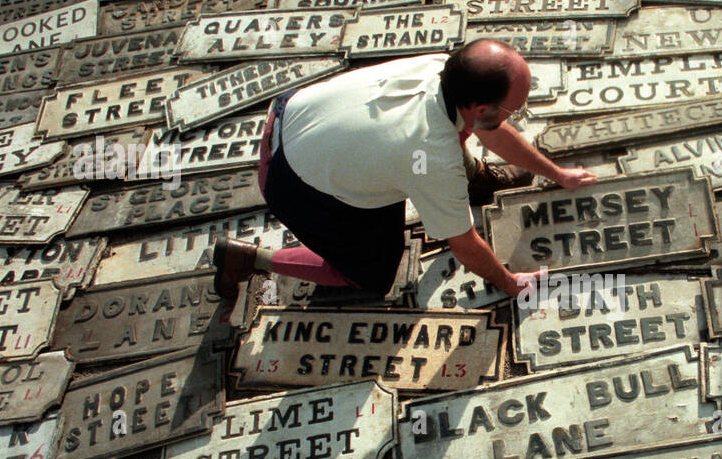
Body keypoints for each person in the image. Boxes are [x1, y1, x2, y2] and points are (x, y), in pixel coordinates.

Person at [212, 39, 597, 300]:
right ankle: (249, 258)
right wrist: (512, 283)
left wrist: (556, 174)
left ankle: (476, 176)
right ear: (480, 107)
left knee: (443, 145)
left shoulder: (442, 70)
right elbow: (463, 245)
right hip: (292, 179)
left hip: (291, 116)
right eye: (516, 108)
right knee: (372, 277)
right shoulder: (431, 156)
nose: (516, 114)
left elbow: (490, 130)